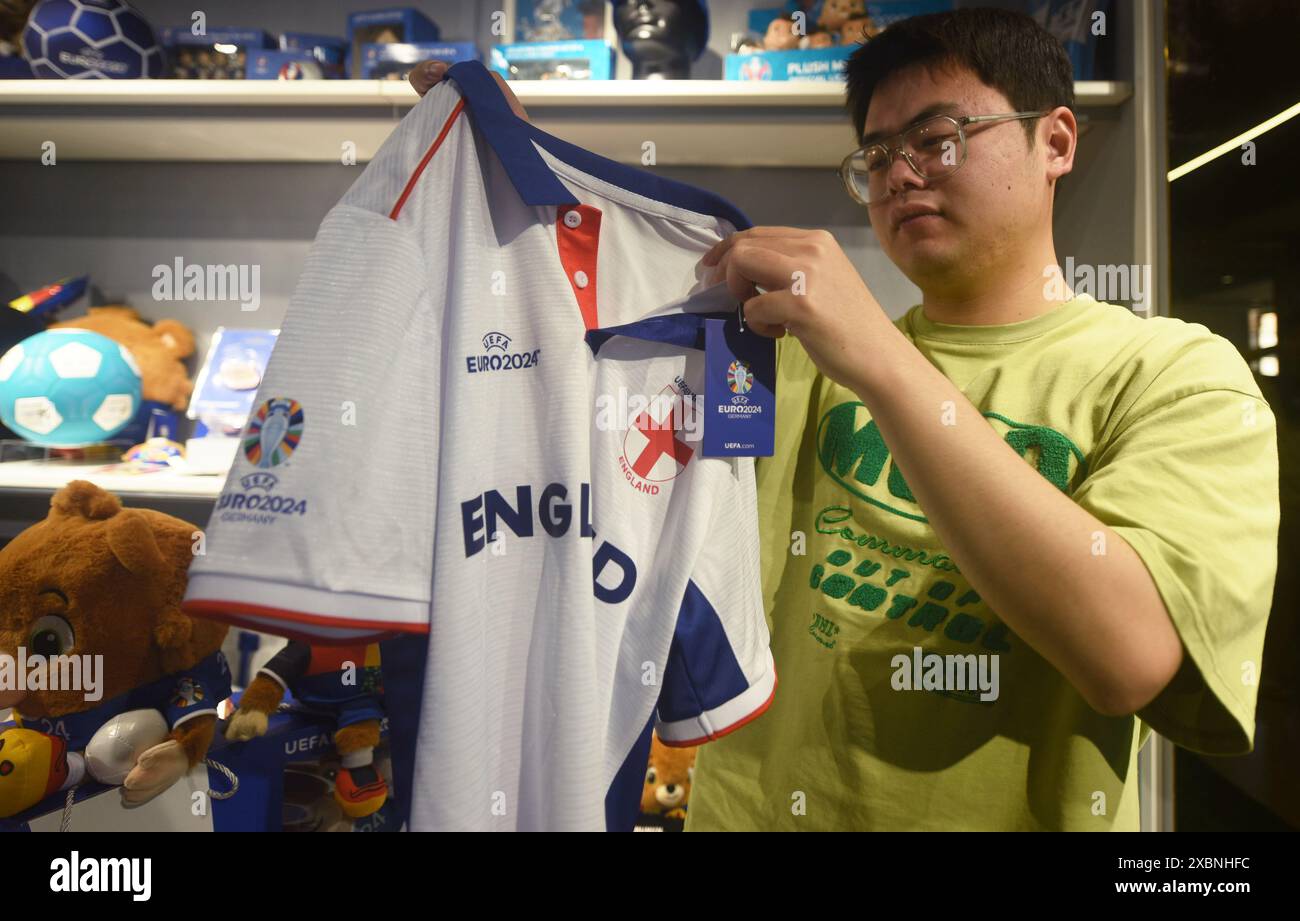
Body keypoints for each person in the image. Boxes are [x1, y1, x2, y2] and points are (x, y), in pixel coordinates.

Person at [410, 7, 1279, 832]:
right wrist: (522, 177)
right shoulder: (789, 360)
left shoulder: (1176, 377)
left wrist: (881, 358)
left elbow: (1128, 654)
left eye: (939, 140)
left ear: (1055, 140)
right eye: (877, 153)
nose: (900, 174)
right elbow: (580, 384)